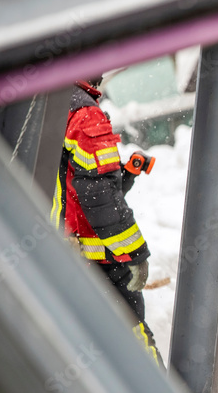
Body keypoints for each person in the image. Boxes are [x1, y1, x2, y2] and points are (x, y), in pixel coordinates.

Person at [53, 77, 162, 365]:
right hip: (94, 264)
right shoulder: (83, 112)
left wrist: (120, 179)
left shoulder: (35, 102)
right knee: (137, 354)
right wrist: (136, 254)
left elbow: (73, 187)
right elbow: (98, 195)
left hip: (48, 259)